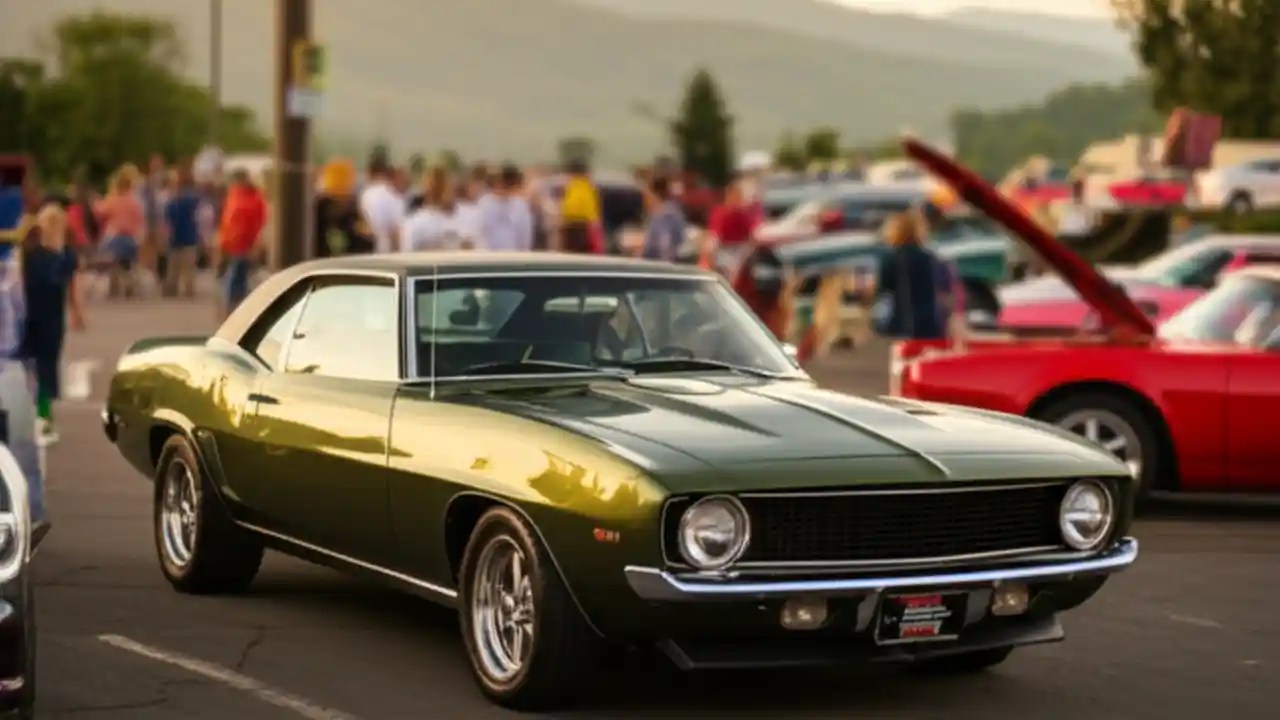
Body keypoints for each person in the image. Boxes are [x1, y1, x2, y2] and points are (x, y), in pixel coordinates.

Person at [21, 203, 86, 447]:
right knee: (32, 368)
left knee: (46, 370)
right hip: (29, 317)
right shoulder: (31, 252)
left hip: (50, 319)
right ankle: (38, 416)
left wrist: (77, 312)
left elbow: (71, 285)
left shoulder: (65, 255)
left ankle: (43, 417)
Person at [873, 211, 951, 340]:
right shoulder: (930, 258)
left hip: (901, 321)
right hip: (929, 322)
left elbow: (884, 290)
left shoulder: (892, 259)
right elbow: (942, 289)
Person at [217, 170, 267, 318]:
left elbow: (258, 223)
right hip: (231, 244)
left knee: (234, 279)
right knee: (235, 279)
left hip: (244, 245)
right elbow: (226, 222)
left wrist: (256, 245)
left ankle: (235, 312)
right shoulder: (234, 196)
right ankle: (235, 312)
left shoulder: (254, 199)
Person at [97, 167, 145, 298]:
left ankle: (114, 289)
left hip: (115, 237)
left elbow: (100, 212)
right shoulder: (134, 201)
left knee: (112, 262)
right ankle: (130, 285)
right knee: (129, 264)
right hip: (130, 238)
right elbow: (140, 221)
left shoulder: (113, 200)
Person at [163, 164, 204, 298]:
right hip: (190, 235)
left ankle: (172, 289)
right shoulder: (194, 199)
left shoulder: (171, 201)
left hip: (176, 236)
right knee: (189, 267)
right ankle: (188, 289)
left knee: (174, 266)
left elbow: (167, 220)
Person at [702, 175, 758, 274]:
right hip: (730, 257)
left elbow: (712, 240)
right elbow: (712, 240)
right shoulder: (726, 213)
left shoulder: (725, 213)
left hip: (732, 257)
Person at [403, 169, 467, 251]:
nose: (454, 195)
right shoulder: (416, 222)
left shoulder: (457, 219)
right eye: (450, 189)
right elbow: (407, 252)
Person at [478, 164, 534, 252]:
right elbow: (480, 233)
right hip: (488, 257)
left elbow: (525, 236)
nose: (502, 185)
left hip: (514, 257)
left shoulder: (520, 206)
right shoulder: (483, 204)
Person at [358, 155, 405, 253]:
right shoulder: (394, 196)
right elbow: (396, 232)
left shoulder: (364, 195)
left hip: (366, 250)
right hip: (385, 252)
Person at [559, 159, 603, 253]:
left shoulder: (570, 187)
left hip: (570, 226)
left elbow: (566, 208)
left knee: (570, 253)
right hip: (583, 227)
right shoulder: (586, 187)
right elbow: (591, 210)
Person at [641, 176, 686, 262]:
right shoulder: (672, 211)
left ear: (653, 194)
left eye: (646, 195)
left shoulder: (664, 215)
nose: (644, 200)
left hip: (658, 266)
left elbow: (665, 246)